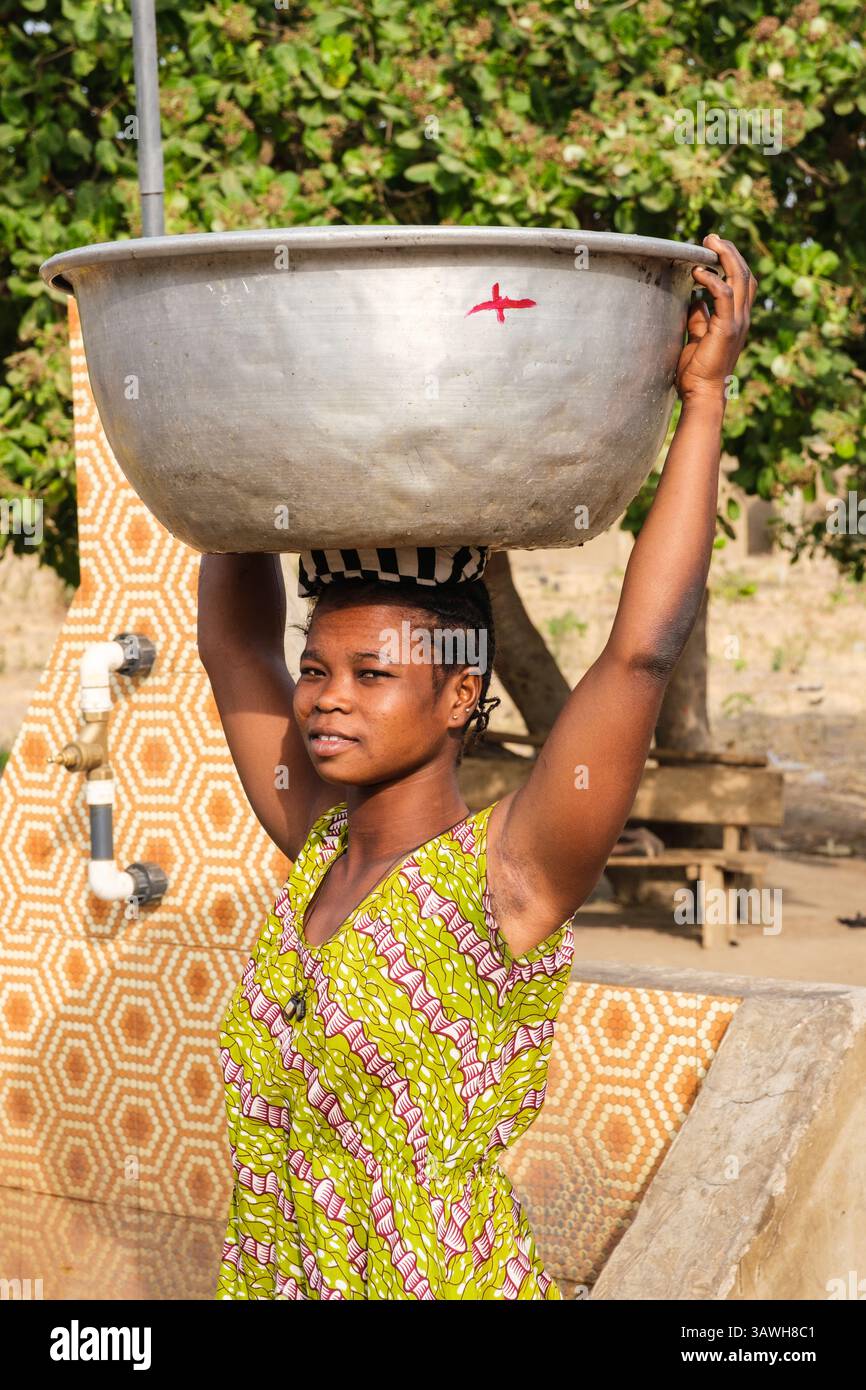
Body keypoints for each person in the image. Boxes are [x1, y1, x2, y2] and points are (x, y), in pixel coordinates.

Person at [199, 234, 755, 1299]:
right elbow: (233, 646)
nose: (324, 695)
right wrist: (244, 421)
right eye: (316, 668)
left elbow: (638, 652)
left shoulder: (505, 880)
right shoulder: (310, 838)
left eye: (371, 673)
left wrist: (703, 403)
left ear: (459, 691)